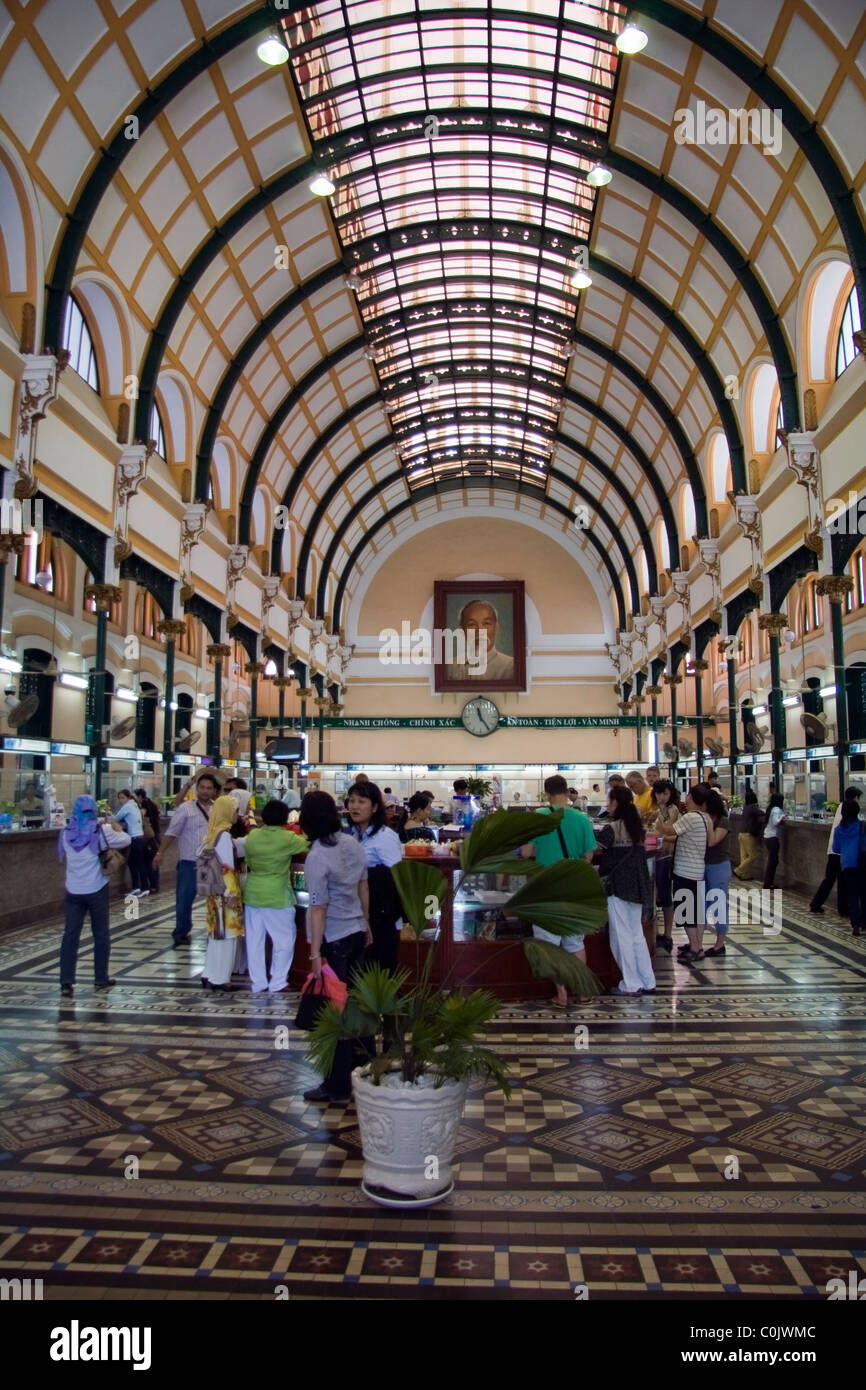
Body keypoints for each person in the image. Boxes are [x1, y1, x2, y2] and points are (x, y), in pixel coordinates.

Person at [300, 790, 373, 1104]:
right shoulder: (352, 842)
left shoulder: (317, 855)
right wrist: (366, 924)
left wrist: (315, 953)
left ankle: (337, 1086)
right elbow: (363, 885)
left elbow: (318, 908)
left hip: (335, 939)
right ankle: (367, 1075)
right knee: (359, 1008)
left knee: (335, 1016)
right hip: (357, 932)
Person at [522, 774, 596, 1008]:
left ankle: (561, 995)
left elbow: (526, 853)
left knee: (549, 945)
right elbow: (589, 856)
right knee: (575, 942)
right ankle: (583, 991)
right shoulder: (582, 819)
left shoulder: (539, 818)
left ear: (546, 793)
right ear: (566, 791)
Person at [58, 796, 130, 997]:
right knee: (100, 935)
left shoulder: (66, 834)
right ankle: (100, 979)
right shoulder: (101, 831)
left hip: (73, 889)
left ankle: (66, 982)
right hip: (96, 889)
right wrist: (113, 825)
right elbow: (127, 839)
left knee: (70, 935)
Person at [242, 799, 309, 994]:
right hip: (277, 895)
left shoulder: (252, 837)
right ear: (285, 818)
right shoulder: (287, 838)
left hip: (253, 893)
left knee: (255, 942)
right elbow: (308, 844)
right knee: (284, 941)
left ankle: (259, 982)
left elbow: (247, 859)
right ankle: (278, 982)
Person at [595, 786, 655, 996]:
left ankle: (630, 984)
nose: (608, 806)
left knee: (621, 935)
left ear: (616, 804)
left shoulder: (611, 829)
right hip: (638, 886)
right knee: (636, 934)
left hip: (618, 887)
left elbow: (596, 851)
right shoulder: (637, 828)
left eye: (610, 802)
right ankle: (647, 980)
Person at [152, 772, 220, 947]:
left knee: (213, 899)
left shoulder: (217, 809)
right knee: (184, 898)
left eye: (209, 788)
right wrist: (160, 852)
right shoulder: (186, 808)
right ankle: (181, 932)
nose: (205, 791)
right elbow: (171, 832)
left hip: (210, 860)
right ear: (197, 789)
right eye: (202, 787)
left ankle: (213, 929)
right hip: (189, 861)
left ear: (214, 791)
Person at [344, 781, 404, 974]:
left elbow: (397, 877)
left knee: (380, 973)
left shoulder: (385, 837)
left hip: (382, 918)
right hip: (358, 914)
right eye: (352, 801)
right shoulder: (352, 835)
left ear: (375, 807)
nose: (354, 806)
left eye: (361, 801)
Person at [662, 782, 712, 964]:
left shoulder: (690, 817)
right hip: (698, 870)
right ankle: (697, 946)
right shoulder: (705, 817)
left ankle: (694, 948)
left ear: (691, 797)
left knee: (687, 913)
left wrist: (659, 822)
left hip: (685, 871)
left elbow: (669, 830)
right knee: (697, 912)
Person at [199, 794, 244, 993]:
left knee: (215, 934)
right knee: (228, 935)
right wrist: (233, 895)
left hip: (213, 891)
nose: (237, 814)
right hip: (226, 890)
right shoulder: (224, 835)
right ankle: (221, 978)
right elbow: (227, 865)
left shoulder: (211, 832)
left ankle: (209, 972)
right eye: (235, 810)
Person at [810, 787, 862, 915]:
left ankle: (816, 904)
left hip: (834, 849)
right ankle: (843, 909)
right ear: (855, 797)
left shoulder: (842, 807)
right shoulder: (848, 808)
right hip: (840, 851)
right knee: (842, 881)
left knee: (829, 879)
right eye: (859, 798)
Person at [648, 778, 681, 951]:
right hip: (655, 856)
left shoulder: (674, 810)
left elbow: (675, 833)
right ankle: (658, 932)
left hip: (666, 857)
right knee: (656, 895)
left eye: (665, 793)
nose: (662, 796)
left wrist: (662, 836)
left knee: (666, 895)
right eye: (659, 793)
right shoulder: (655, 811)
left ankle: (667, 934)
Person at [446, 599, 515, 681]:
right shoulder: (449, 666)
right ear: (461, 631)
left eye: (486, 623)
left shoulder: (511, 667)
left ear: (496, 628)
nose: (480, 631)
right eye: (472, 624)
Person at [703, 789, 733, 957]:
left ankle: (719, 944)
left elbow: (713, 840)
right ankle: (696, 942)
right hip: (703, 865)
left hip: (719, 866)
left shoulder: (723, 821)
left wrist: (707, 822)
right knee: (702, 904)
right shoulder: (704, 818)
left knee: (718, 904)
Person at [831, 799, 865, 937]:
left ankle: (855, 924)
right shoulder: (862, 826)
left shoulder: (839, 829)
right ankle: (864, 922)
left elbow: (836, 848)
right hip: (862, 864)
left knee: (852, 895)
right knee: (864, 894)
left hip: (847, 865)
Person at [115, 789, 148, 897]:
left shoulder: (128, 807)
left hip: (135, 839)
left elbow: (116, 818)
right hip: (139, 837)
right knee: (135, 863)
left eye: (122, 797)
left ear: (128, 797)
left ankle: (142, 888)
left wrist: (108, 818)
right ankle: (138, 887)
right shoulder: (134, 805)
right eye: (119, 798)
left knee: (136, 864)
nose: (120, 800)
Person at [135, 787, 162, 893]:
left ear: (140, 796)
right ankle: (155, 885)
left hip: (149, 837)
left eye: (136, 796)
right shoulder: (152, 803)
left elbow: (142, 818)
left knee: (149, 862)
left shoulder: (144, 806)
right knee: (153, 861)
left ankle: (153, 885)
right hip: (155, 836)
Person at [733, 790, 764, 881]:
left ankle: (745, 875)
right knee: (752, 855)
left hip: (741, 833)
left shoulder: (746, 807)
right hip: (748, 834)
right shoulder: (752, 807)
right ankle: (738, 870)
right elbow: (761, 813)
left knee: (744, 856)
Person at [763, 792, 786, 889]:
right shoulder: (776, 810)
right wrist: (782, 817)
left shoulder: (771, 808)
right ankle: (768, 883)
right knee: (773, 861)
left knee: (773, 860)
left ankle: (768, 882)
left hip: (768, 836)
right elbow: (776, 822)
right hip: (772, 837)